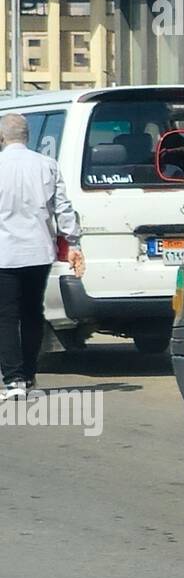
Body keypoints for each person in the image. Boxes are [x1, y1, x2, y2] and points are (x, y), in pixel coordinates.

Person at [0, 114, 83, 400]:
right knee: (33, 311)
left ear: (1, 138)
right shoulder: (46, 165)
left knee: (6, 316)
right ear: (28, 136)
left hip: (5, 253)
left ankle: (13, 380)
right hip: (39, 251)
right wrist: (73, 241)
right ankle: (30, 373)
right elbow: (63, 208)